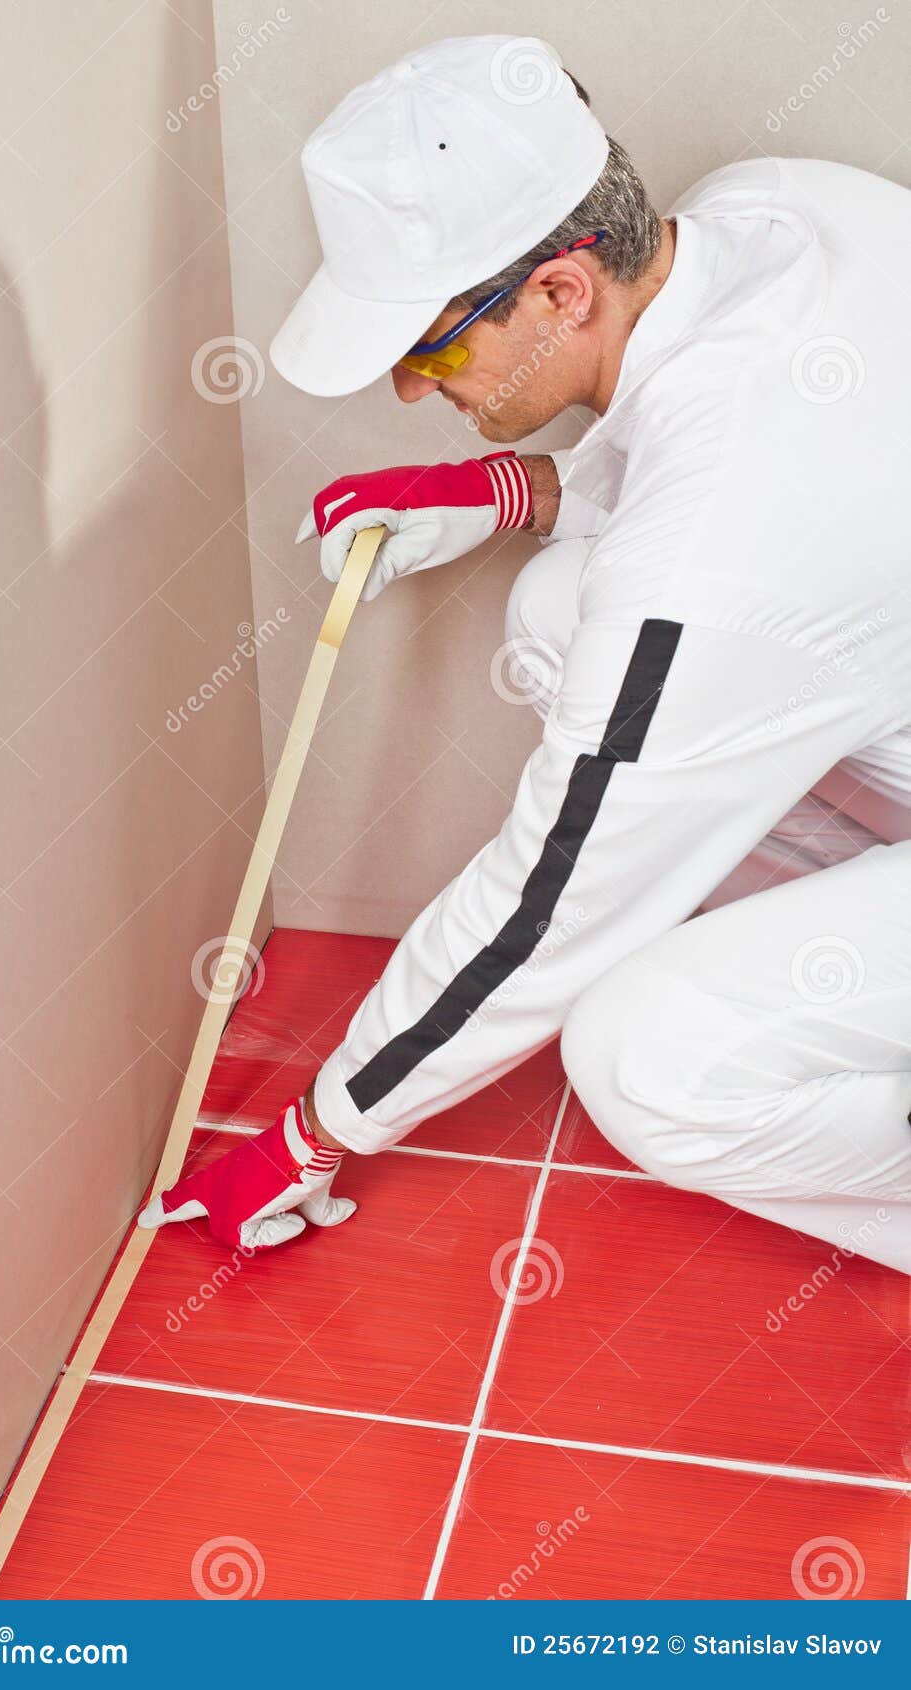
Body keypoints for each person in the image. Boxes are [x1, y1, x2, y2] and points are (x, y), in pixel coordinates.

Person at [141, 34, 911, 1273]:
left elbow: (543, 901)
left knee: (641, 1053)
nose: (406, 388)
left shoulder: (721, 551)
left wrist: (316, 1128)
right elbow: (751, 478)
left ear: (560, 291)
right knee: (561, 613)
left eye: (432, 349)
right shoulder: (771, 209)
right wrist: (509, 489)